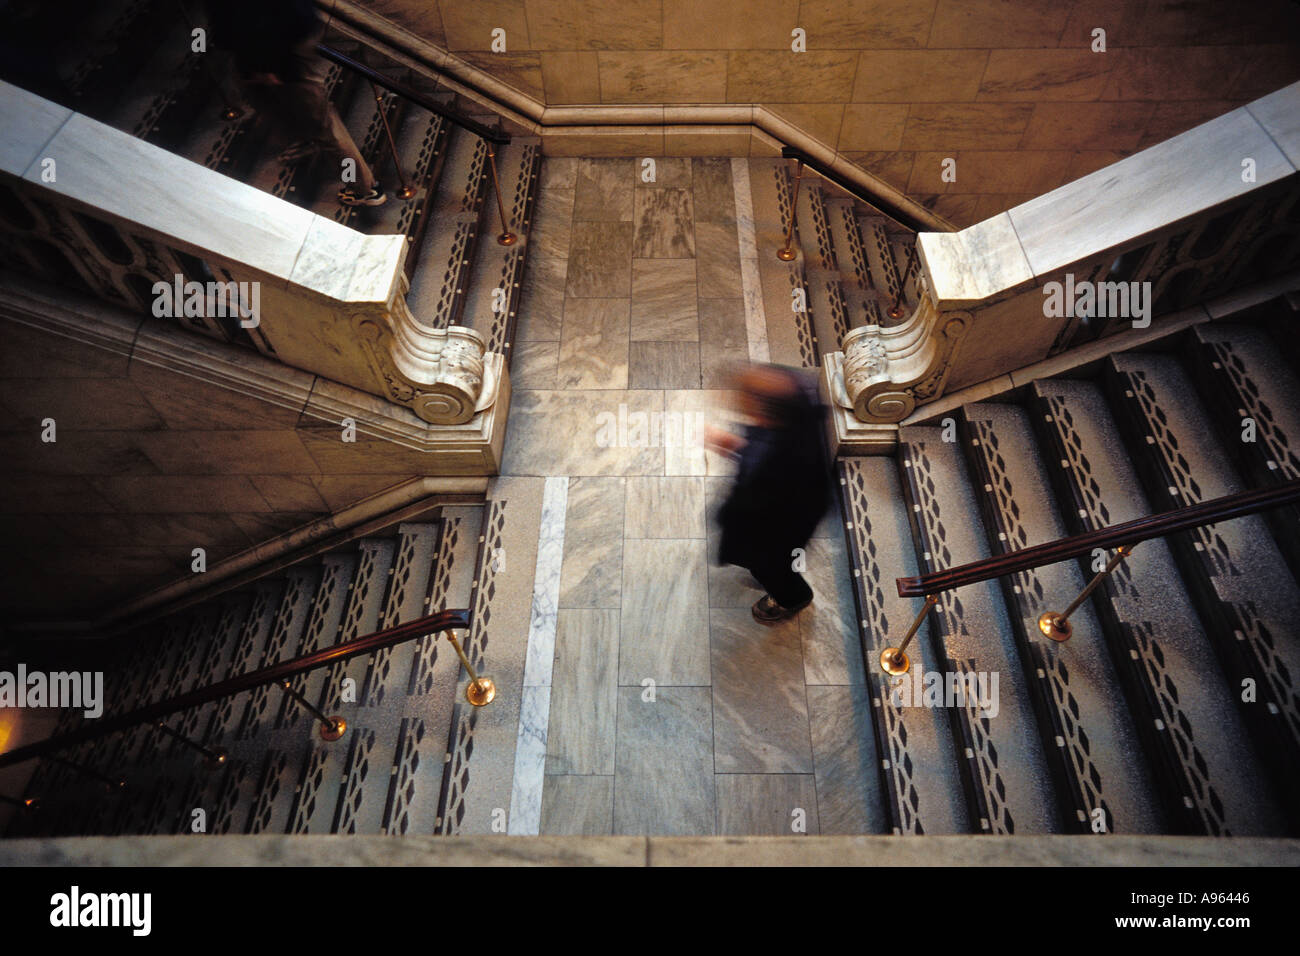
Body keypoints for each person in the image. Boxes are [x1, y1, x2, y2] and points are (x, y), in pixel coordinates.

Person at [205, 0, 387, 207]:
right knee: (270, 103)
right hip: (272, 53)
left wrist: (273, 68)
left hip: (279, 59)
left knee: (326, 128)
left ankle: (365, 188)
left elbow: (285, 20)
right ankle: (305, 139)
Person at [706, 363, 833, 625]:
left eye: (744, 397)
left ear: (765, 408)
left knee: (773, 571)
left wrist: (724, 517)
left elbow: (756, 497)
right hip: (781, 521)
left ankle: (794, 598)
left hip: (774, 536)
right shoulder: (794, 421)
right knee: (766, 563)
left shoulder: (777, 463)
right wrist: (739, 446)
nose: (739, 403)